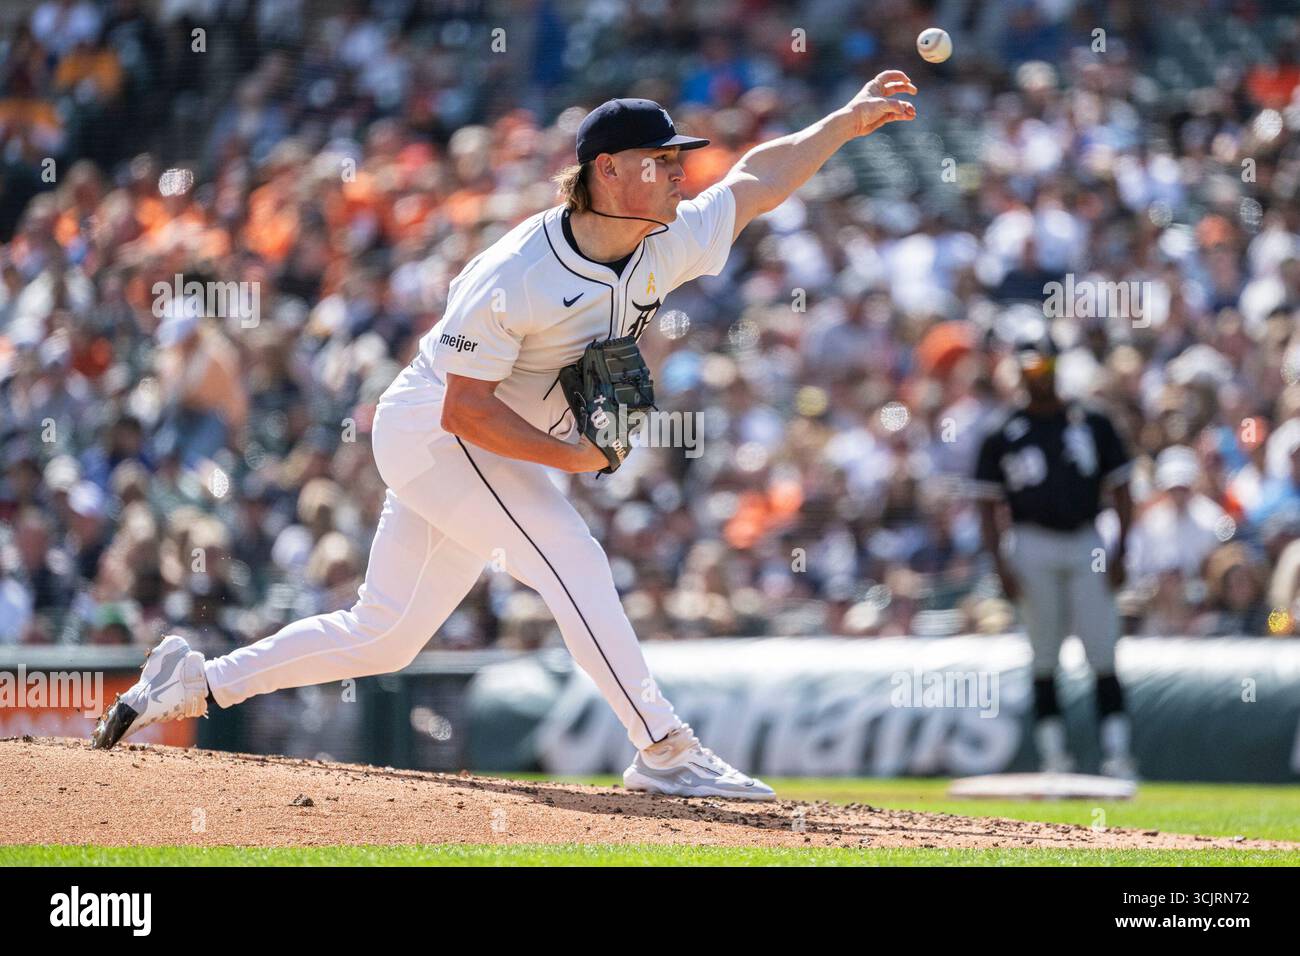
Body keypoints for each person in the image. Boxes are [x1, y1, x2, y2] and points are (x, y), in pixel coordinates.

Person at [91, 75, 919, 800]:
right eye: (659, 161)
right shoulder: (519, 271)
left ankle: (193, 683)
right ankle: (664, 748)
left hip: (484, 443)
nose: (678, 172)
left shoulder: (666, 240)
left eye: (676, 160)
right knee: (571, 554)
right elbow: (466, 411)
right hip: (434, 432)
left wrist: (842, 123)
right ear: (606, 171)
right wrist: (578, 458)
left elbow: (753, 180)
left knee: (383, 634)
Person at [971, 335, 1138, 778]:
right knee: (1043, 653)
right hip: (1031, 541)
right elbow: (987, 506)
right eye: (1029, 370)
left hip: (1086, 538)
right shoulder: (1002, 430)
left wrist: (1122, 548)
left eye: (1042, 368)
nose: (1036, 378)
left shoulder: (1092, 420)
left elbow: (1122, 487)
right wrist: (1000, 563)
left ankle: (1117, 755)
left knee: (1102, 648)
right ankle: (1053, 758)